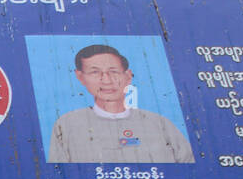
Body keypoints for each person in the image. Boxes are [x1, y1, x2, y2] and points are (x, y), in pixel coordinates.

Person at [48, 44, 194, 164]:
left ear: (128, 76)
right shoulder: (67, 125)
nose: (106, 80)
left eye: (114, 71)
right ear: (80, 77)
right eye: (95, 72)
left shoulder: (159, 124)